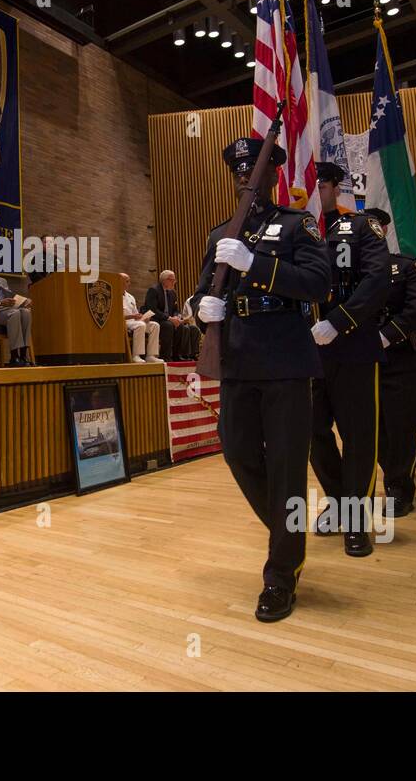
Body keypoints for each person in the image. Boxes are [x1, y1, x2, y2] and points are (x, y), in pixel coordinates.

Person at [191, 137, 330, 623]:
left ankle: (281, 572)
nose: (246, 180)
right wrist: (199, 309)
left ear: (272, 176)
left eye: (255, 172)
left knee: (288, 466)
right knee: (237, 451)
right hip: (238, 359)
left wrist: (257, 264)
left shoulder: (297, 225)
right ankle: (288, 534)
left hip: (287, 358)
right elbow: (201, 290)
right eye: (239, 174)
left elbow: (318, 284)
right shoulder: (220, 234)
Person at [307, 162, 389, 557]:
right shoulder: (295, 230)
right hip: (304, 353)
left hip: (352, 345)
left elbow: (377, 280)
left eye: (318, 184)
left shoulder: (360, 227)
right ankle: (339, 502)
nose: (312, 190)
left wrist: (339, 321)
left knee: (357, 435)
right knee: (312, 432)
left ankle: (358, 520)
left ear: (334, 187)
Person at [363, 208, 416, 517]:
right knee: (374, 430)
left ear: (386, 230)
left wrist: (388, 335)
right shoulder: (356, 271)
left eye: (377, 227)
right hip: (363, 362)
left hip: (399, 359)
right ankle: (390, 476)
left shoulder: (405, 267)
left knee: (400, 427)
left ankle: (400, 488)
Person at [144, 271, 195, 360]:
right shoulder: (154, 290)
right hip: (155, 318)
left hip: (168, 319)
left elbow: (175, 310)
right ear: (165, 280)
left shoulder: (172, 293)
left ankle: (176, 355)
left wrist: (177, 317)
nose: (174, 282)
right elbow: (153, 309)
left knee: (181, 326)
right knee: (168, 326)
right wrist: (169, 318)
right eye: (172, 280)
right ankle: (165, 356)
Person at [121, 272, 161, 363]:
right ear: (120, 282)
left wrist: (143, 317)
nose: (129, 284)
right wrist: (133, 317)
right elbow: (115, 316)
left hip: (134, 321)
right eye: (127, 281)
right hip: (123, 322)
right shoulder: (114, 295)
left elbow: (136, 314)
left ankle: (151, 355)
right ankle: (136, 355)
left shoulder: (131, 297)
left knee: (154, 325)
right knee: (140, 325)